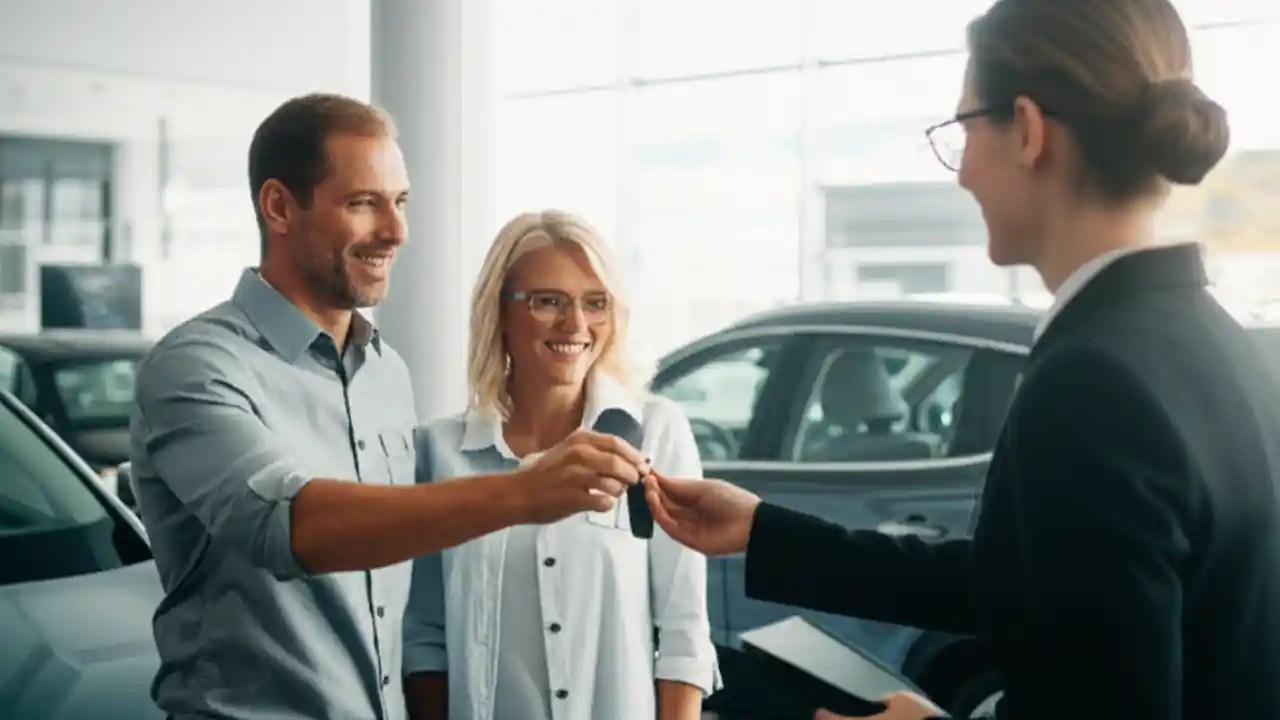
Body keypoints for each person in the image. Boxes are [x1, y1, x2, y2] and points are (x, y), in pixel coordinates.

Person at [643, 1, 1280, 719]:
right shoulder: (1223, 347)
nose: (962, 174)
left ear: (1029, 132)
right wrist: (764, 531)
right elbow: (1035, 584)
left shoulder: (1093, 384)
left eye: (963, 129)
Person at [128, 96, 648, 720]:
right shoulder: (197, 365)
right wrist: (524, 492)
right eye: (363, 203)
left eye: (399, 203)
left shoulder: (386, 373)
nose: (396, 232)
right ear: (278, 206)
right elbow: (292, 526)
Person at [402, 210, 720, 720]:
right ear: (500, 311)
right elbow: (423, 637)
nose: (576, 324)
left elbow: (685, 633)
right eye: (548, 301)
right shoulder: (436, 453)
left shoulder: (656, 434)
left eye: (595, 303)